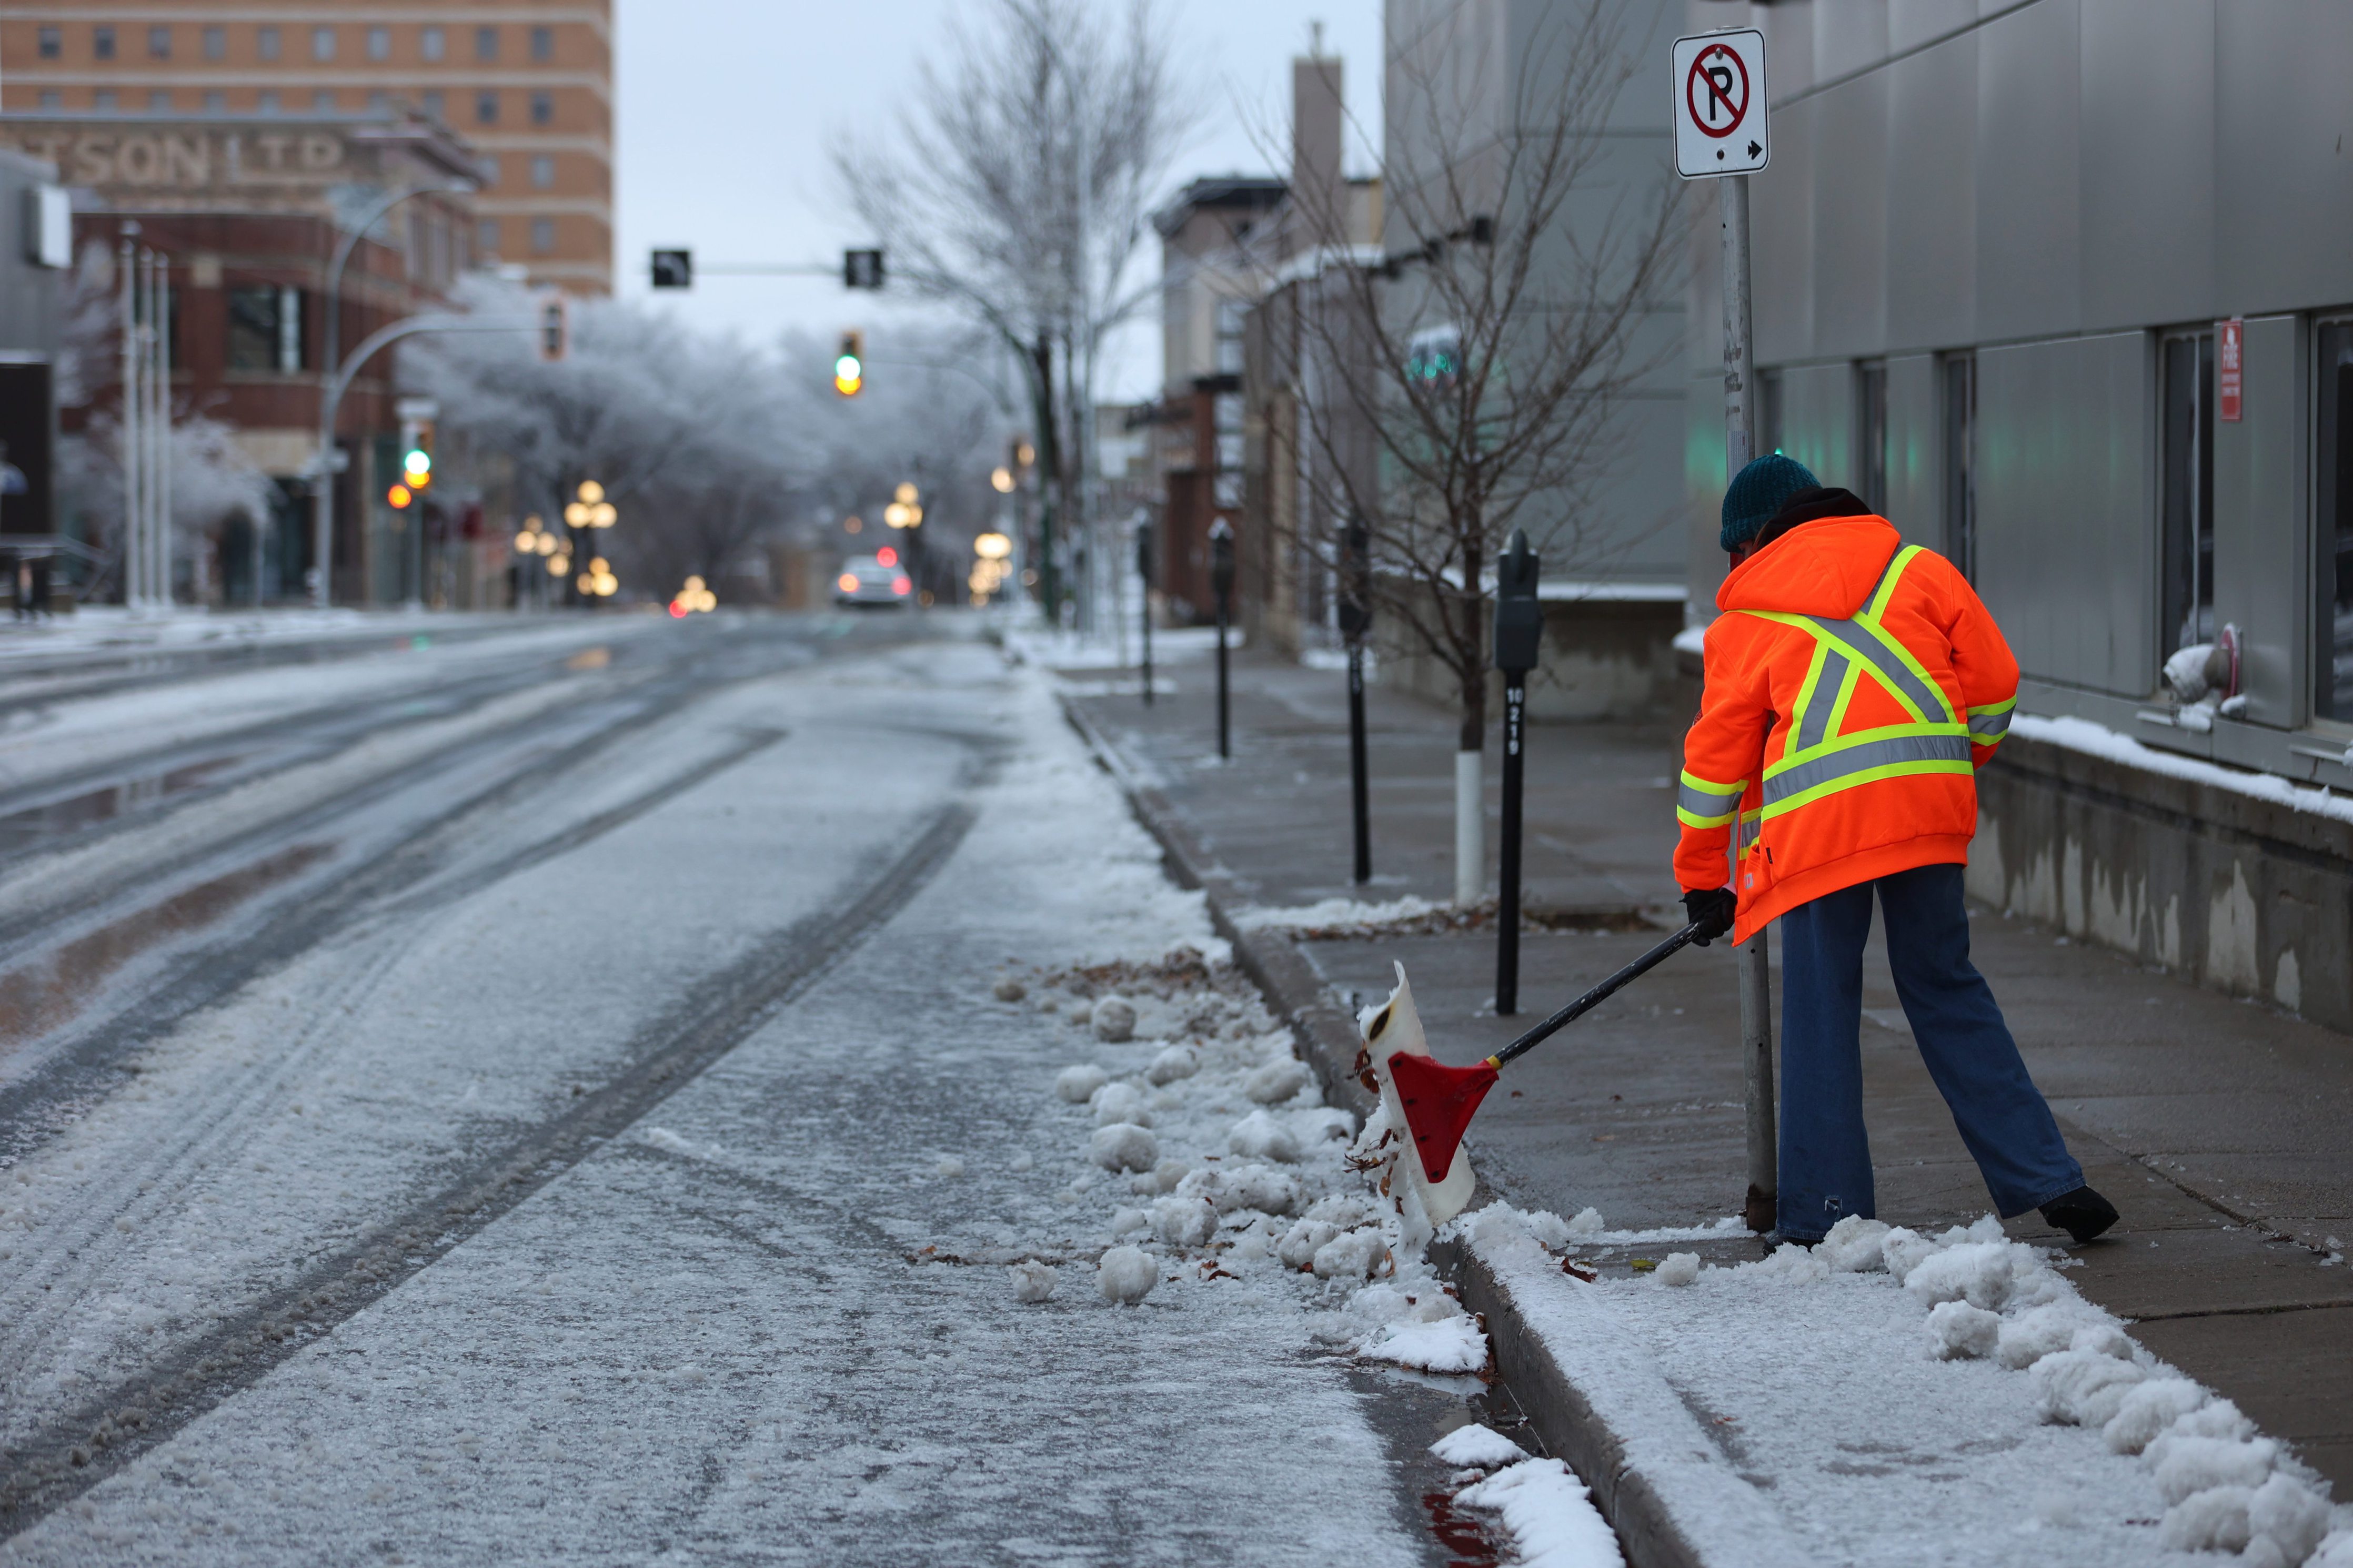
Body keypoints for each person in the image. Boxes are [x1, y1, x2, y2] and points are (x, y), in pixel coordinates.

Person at [1674, 453, 2117, 1247]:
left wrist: (1705, 881)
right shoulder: (1919, 569)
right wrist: (1942, 768)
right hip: (1928, 814)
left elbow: (1714, 769)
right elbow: (1996, 685)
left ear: (1750, 544)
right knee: (1948, 987)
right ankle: (2052, 1179)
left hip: (1820, 836)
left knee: (1821, 1009)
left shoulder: (1745, 623)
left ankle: (1825, 1215)